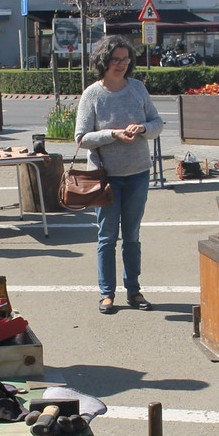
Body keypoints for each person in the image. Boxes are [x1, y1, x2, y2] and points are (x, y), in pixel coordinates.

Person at [75, 37, 164, 314]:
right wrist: (113, 134)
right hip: (106, 178)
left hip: (138, 173)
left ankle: (134, 291)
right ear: (103, 61)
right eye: (116, 60)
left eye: (126, 59)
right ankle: (106, 294)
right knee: (107, 237)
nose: (122, 64)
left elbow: (157, 123)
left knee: (132, 236)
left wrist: (143, 129)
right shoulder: (92, 94)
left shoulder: (137, 88)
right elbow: (81, 138)